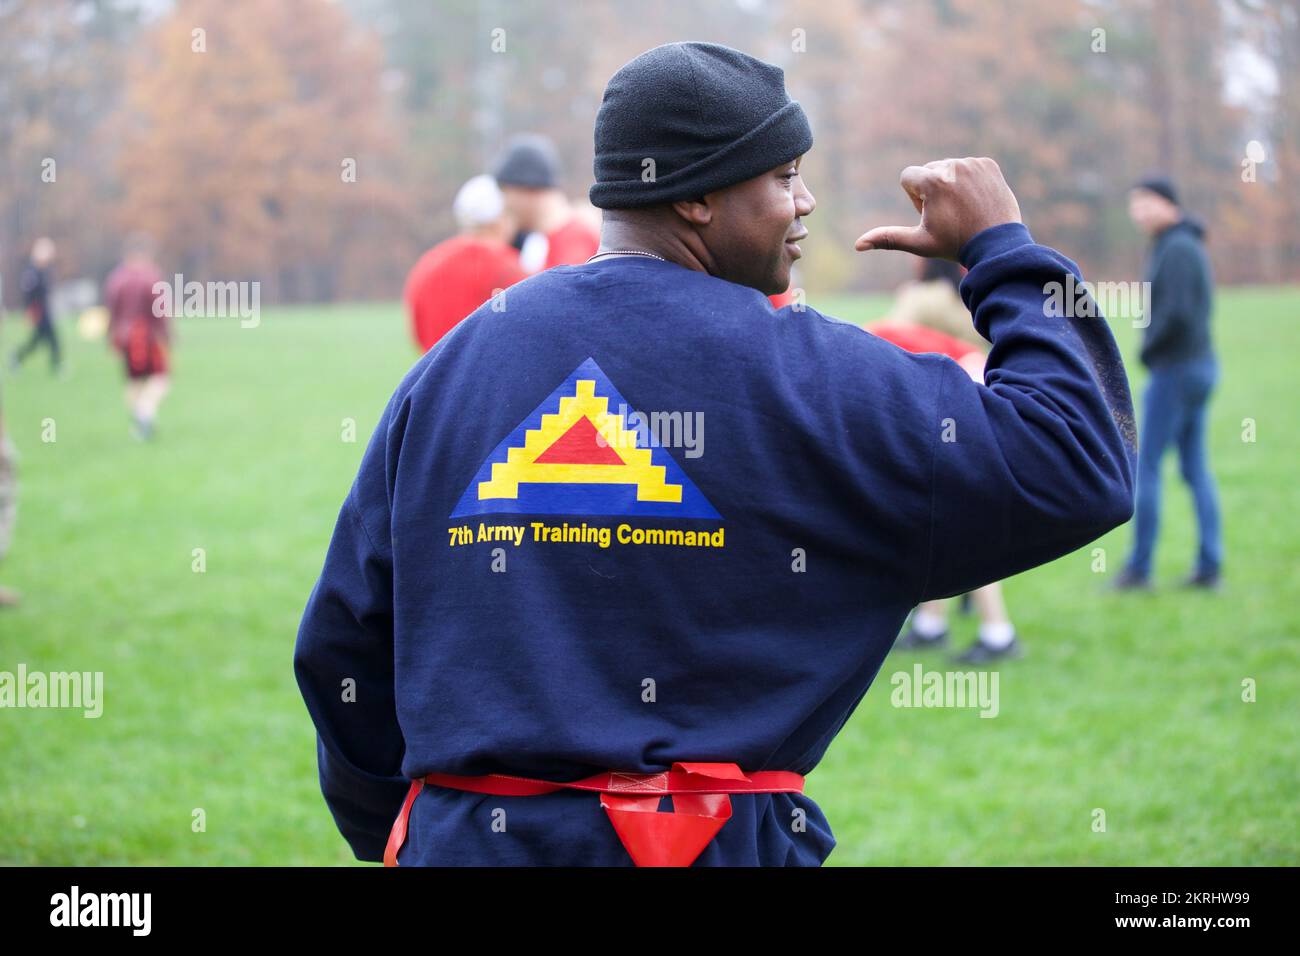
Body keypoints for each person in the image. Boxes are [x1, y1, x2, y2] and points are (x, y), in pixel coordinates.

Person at [294, 41, 1135, 867]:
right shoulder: (814, 375)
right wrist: (1001, 248)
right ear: (696, 199)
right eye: (783, 176)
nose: (805, 203)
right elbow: (1075, 456)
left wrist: (414, 832)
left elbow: (343, 646)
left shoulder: (452, 369)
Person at [870, 259, 1021, 662]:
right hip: (972, 399)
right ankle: (931, 623)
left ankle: (998, 633)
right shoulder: (973, 299)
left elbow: (889, 342)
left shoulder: (917, 298)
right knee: (936, 520)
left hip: (941, 410)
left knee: (960, 522)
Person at [1114, 176, 1221, 591]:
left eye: (1145, 203)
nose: (1138, 212)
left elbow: (1175, 314)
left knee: (1147, 467)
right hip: (1199, 367)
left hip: (1176, 370)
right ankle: (1210, 566)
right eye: (1133, 205)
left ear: (1168, 204)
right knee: (1195, 469)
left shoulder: (1176, 248)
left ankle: (1139, 570)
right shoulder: (1184, 243)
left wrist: (1146, 350)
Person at [403, 175, 528, 353]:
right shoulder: (506, 265)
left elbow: (416, 331)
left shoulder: (428, 263)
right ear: (499, 221)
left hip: (436, 376)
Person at [493, 133, 599, 272]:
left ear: (528, 188)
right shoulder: (540, 243)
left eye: (505, 193)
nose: (504, 204)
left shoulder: (573, 243)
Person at [104, 234, 171, 440]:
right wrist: (166, 335)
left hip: (124, 337)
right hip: (146, 337)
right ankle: (144, 413)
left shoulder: (116, 279)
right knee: (161, 378)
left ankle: (139, 424)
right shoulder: (152, 276)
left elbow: (112, 311)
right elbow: (160, 310)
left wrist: (111, 337)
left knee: (133, 382)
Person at [10, 237, 61, 375]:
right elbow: (27, 295)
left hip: (45, 310)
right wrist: (29, 312)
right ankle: (56, 366)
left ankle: (17, 357)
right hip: (38, 312)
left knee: (42, 340)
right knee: (47, 339)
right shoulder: (32, 272)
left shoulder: (44, 271)